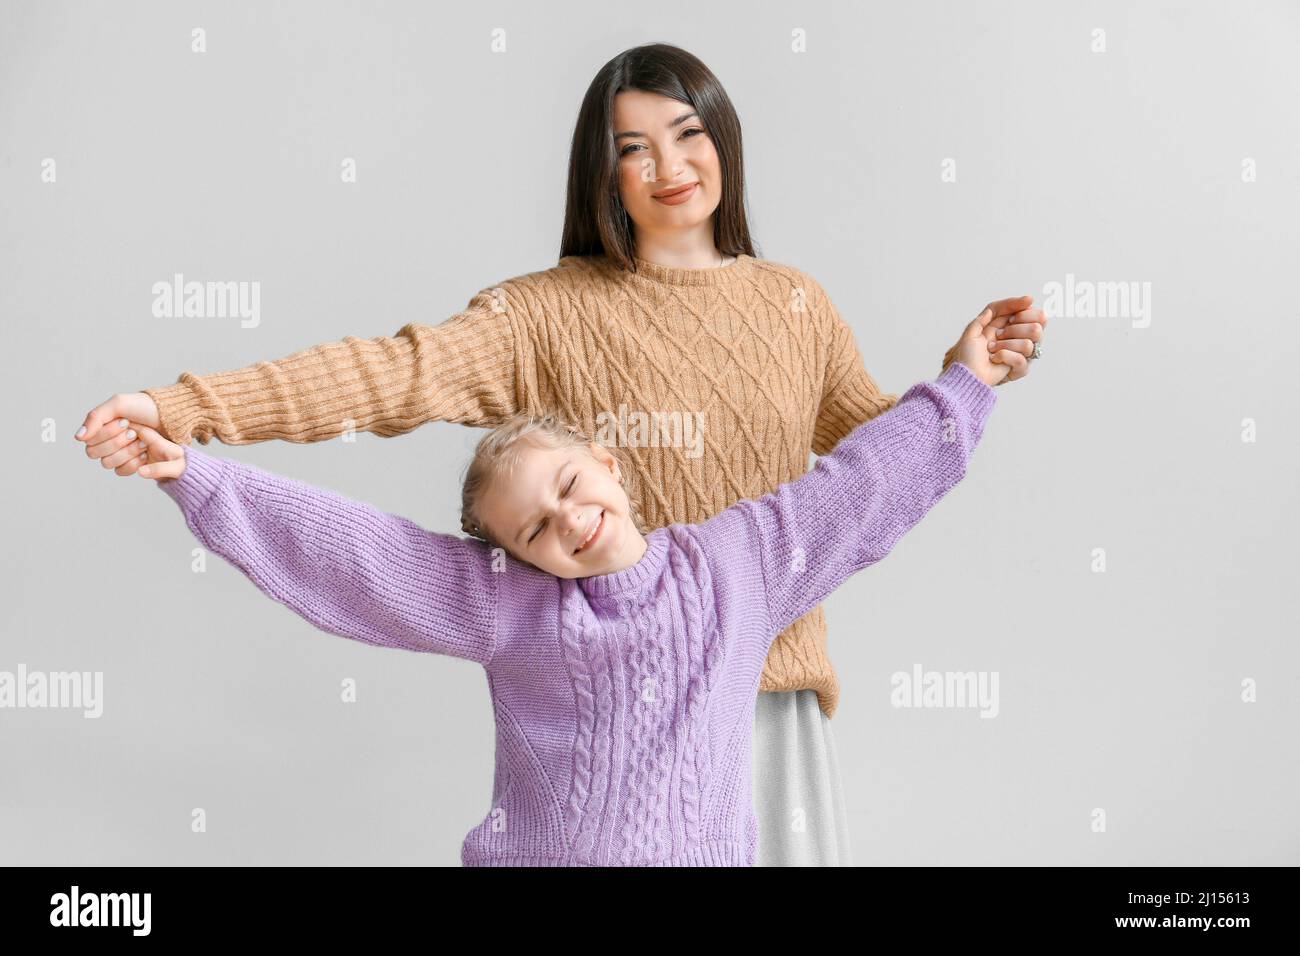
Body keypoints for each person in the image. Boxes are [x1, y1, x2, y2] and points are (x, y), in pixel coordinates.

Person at [76, 43, 1046, 865]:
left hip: (768, 708)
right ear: (601, 172)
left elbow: (867, 475)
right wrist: (187, 411)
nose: (669, 165)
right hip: (602, 713)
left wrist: (962, 378)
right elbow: (385, 378)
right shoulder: (540, 315)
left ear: (724, 142)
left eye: (688, 132)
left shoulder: (796, 303)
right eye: (634, 148)